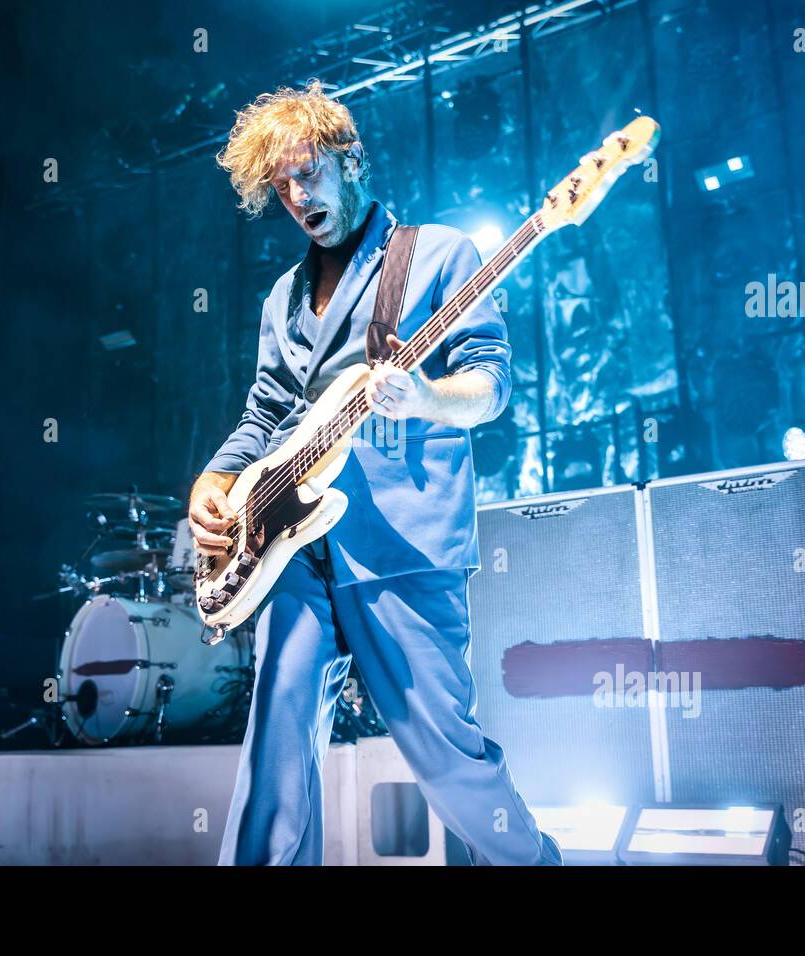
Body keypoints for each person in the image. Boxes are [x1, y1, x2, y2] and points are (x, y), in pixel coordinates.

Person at [187, 81, 562, 866]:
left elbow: (490, 389)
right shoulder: (282, 299)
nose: (296, 195)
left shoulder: (440, 254)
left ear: (352, 159)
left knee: (449, 763)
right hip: (294, 550)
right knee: (272, 763)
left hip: (403, 547)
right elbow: (264, 415)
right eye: (281, 184)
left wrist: (425, 394)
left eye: (309, 172)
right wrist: (215, 481)